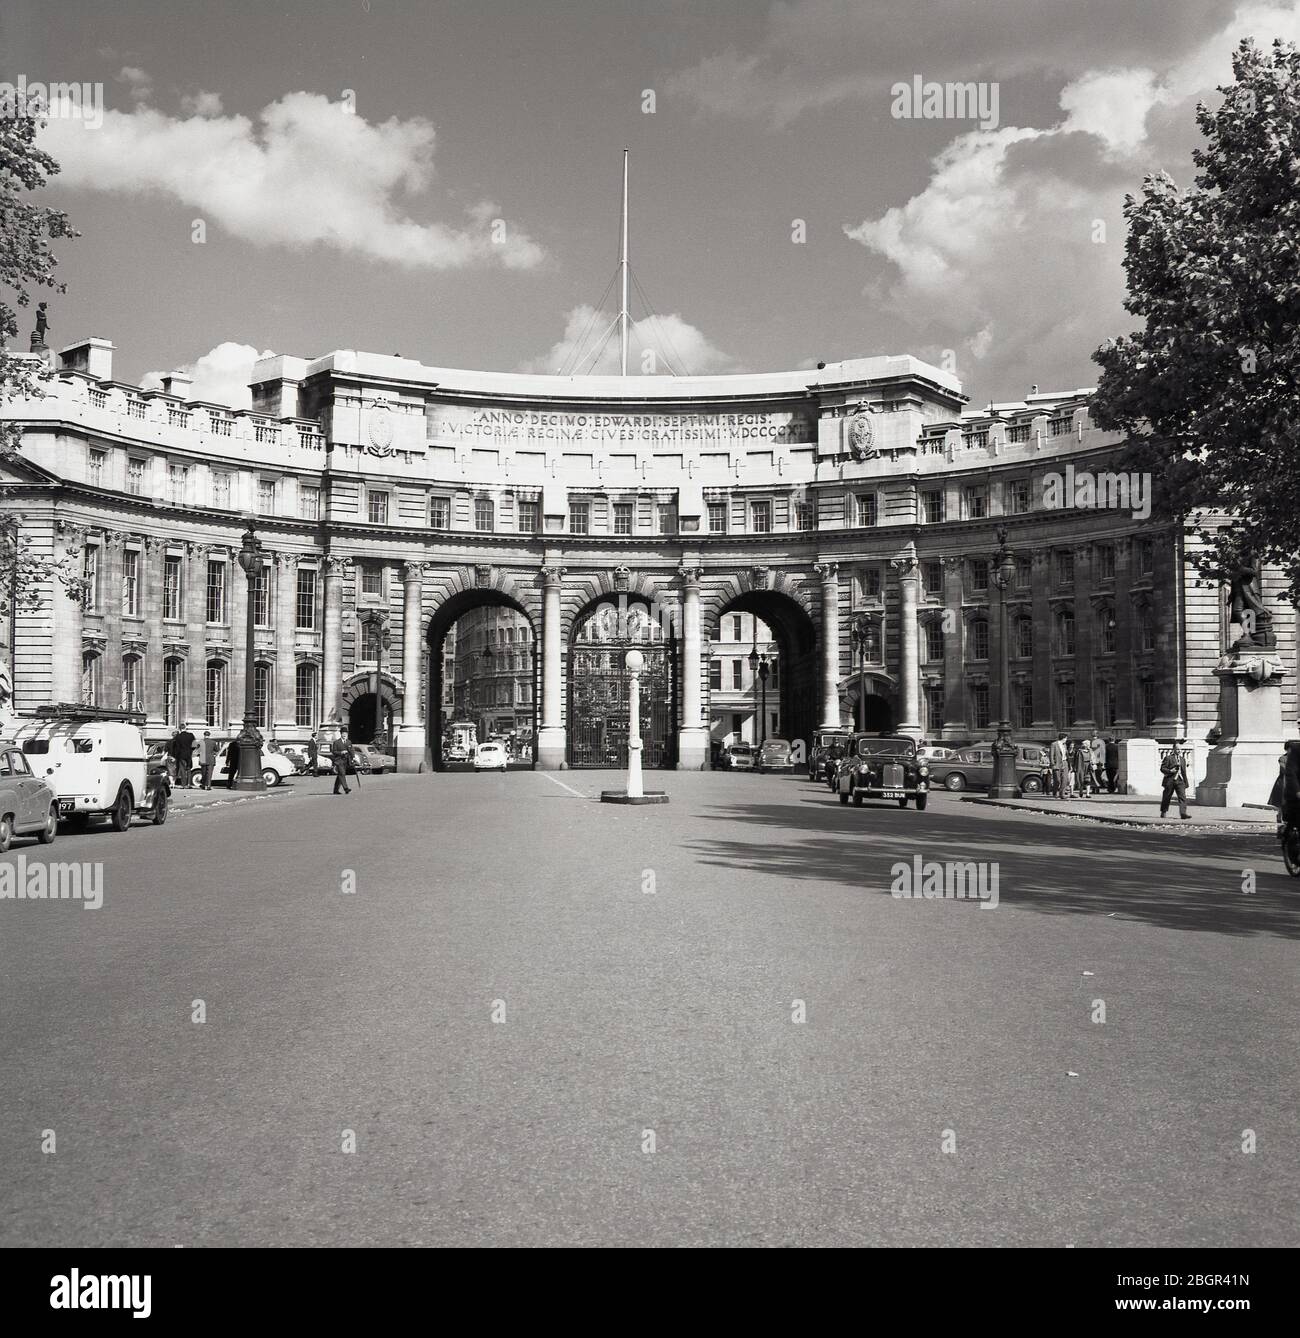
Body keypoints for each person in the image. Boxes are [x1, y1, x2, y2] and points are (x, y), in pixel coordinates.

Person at [1160, 737, 1190, 819]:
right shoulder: (1168, 758)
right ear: (1173, 749)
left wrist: (1186, 783)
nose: (1179, 751)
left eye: (1180, 749)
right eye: (1177, 749)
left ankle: (1183, 813)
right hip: (1170, 780)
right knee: (1167, 797)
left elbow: (1184, 772)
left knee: (1182, 797)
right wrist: (1170, 770)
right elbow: (1162, 768)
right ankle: (1164, 811)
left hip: (1180, 781)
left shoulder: (1183, 759)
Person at [331, 729, 352, 795]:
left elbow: (351, 750)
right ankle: (346, 788)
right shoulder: (336, 742)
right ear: (341, 734)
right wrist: (341, 752)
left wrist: (353, 757)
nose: (344, 734)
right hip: (338, 760)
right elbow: (334, 751)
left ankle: (335, 790)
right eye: (343, 733)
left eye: (345, 733)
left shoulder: (348, 742)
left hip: (345, 761)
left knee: (340, 775)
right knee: (342, 774)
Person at [1049, 733, 1070, 799]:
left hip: (1065, 762)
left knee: (1065, 779)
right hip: (1057, 764)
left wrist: (1069, 764)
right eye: (1066, 738)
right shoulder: (1054, 744)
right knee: (1057, 780)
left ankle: (1062, 794)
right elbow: (1051, 755)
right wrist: (1053, 764)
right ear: (1063, 738)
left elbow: (1066, 755)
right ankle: (1055, 792)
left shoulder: (1065, 745)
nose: (1066, 740)